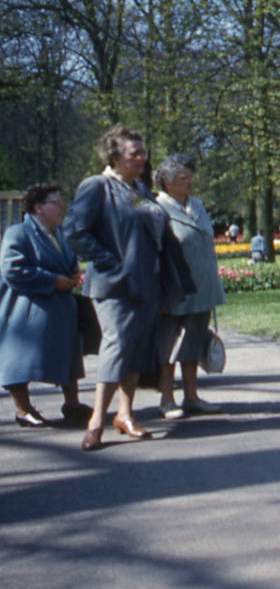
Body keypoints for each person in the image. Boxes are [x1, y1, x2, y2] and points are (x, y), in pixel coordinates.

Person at [66, 126, 191, 451]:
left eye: (143, 151)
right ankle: (96, 422)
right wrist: (114, 264)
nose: (143, 157)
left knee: (137, 347)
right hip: (114, 286)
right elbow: (76, 233)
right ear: (114, 155)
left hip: (146, 286)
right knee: (117, 344)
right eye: (135, 152)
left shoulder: (140, 191)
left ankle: (125, 415)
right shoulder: (97, 187)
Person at [0, 184, 90, 427]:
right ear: (38, 208)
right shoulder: (18, 233)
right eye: (55, 203)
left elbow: (69, 259)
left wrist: (73, 273)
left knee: (69, 354)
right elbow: (12, 268)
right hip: (26, 310)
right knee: (20, 359)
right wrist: (51, 280)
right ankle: (23, 409)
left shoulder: (58, 233)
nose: (61, 208)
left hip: (60, 307)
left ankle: (72, 404)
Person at [154, 156, 227, 419]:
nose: (190, 182)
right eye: (183, 178)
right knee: (168, 344)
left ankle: (191, 396)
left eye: (190, 176)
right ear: (167, 182)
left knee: (194, 342)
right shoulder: (157, 208)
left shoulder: (197, 205)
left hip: (202, 287)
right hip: (173, 289)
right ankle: (166, 399)